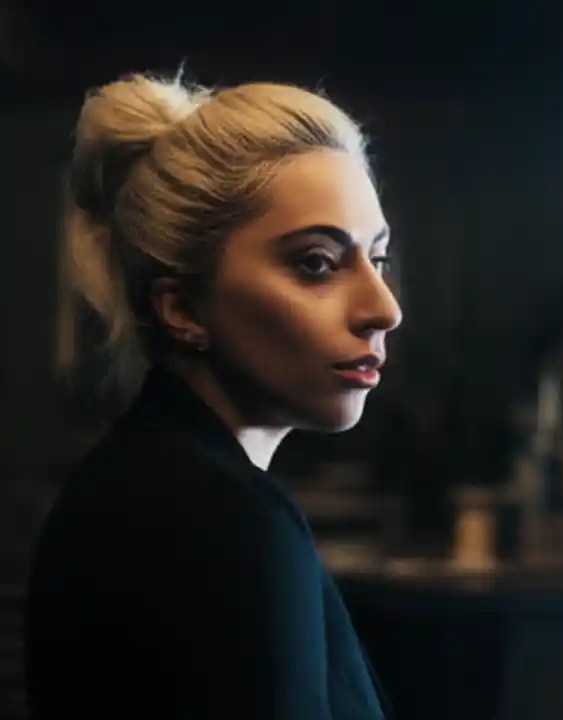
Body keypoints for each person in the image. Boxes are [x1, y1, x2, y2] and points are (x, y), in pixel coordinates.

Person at [24, 72, 402, 719]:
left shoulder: (133, 481)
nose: (383, 308)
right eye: (317, 263)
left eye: (378, 259)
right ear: (182, 307)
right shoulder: (230, 521)